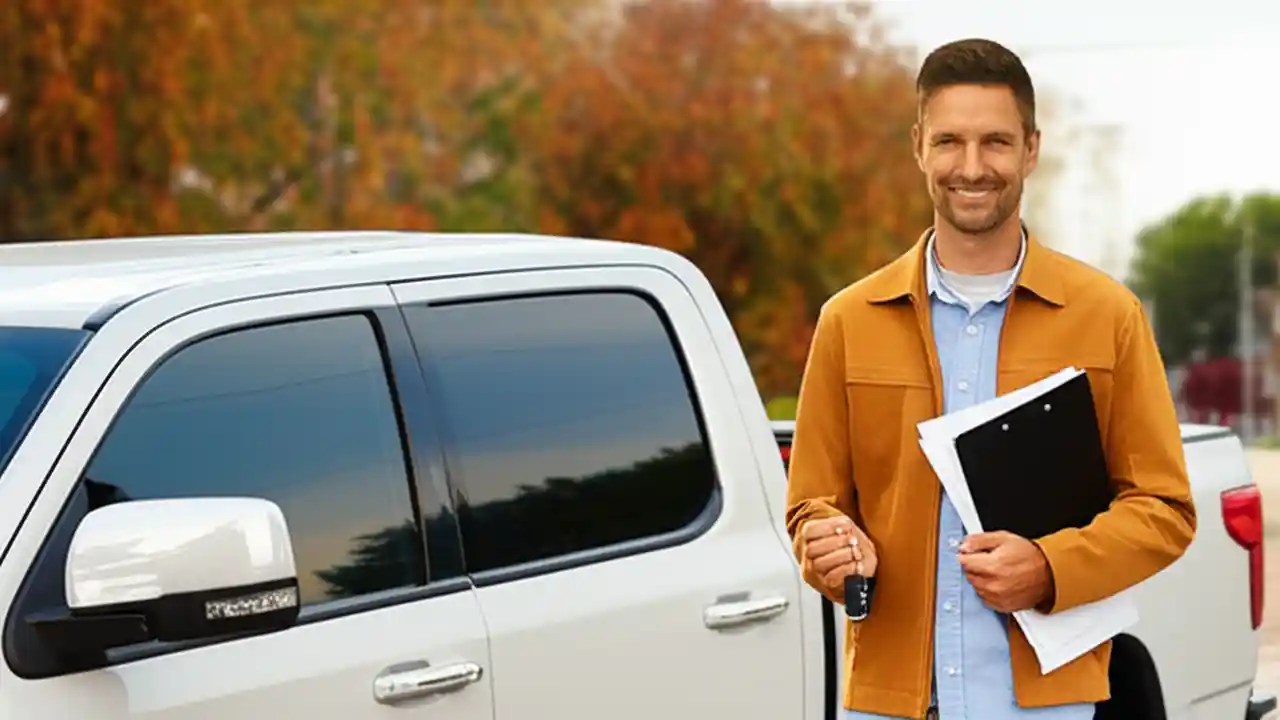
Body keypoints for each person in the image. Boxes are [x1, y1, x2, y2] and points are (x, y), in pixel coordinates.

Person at [784, 38, 1196, 720]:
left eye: (996, 143)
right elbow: (811, 508)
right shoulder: (848, 321)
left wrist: (1049, 566)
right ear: (918, 146)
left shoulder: (1107, 316)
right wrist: (827, 546)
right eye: (949, 141)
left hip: (1045, 707)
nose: (971, 168)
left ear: (1031, 150)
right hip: (889, 706)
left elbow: (1164, 509)